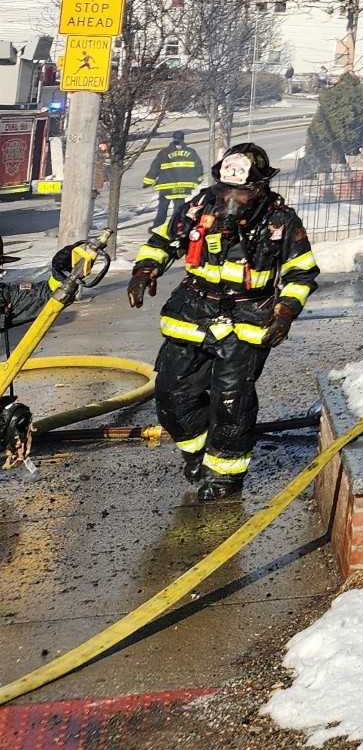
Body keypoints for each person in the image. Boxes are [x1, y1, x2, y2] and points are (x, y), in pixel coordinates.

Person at [129, 141, 319, 500]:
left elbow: (301, 273)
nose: (231, 198)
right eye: (225, 188)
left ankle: (224, 476)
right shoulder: (199, 206)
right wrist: (144, 271)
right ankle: (197, 452)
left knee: (231, 402)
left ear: (260, 187)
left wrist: (284, 313)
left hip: (246, 320)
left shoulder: (281, 222)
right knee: (172, 394)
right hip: (193, 312)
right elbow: (163, 241)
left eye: (241, 191)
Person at [142, 129, 204, 231]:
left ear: (173, 139)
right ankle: (176, 228)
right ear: (183, 139)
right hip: (182, 188)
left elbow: (155, 168)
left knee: (162, 209)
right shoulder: (191, 152)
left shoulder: (164, 153)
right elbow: (198, 168)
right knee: (178, 210)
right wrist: (197, 180)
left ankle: (157, 227)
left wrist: (147, 181)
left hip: (166, 187)